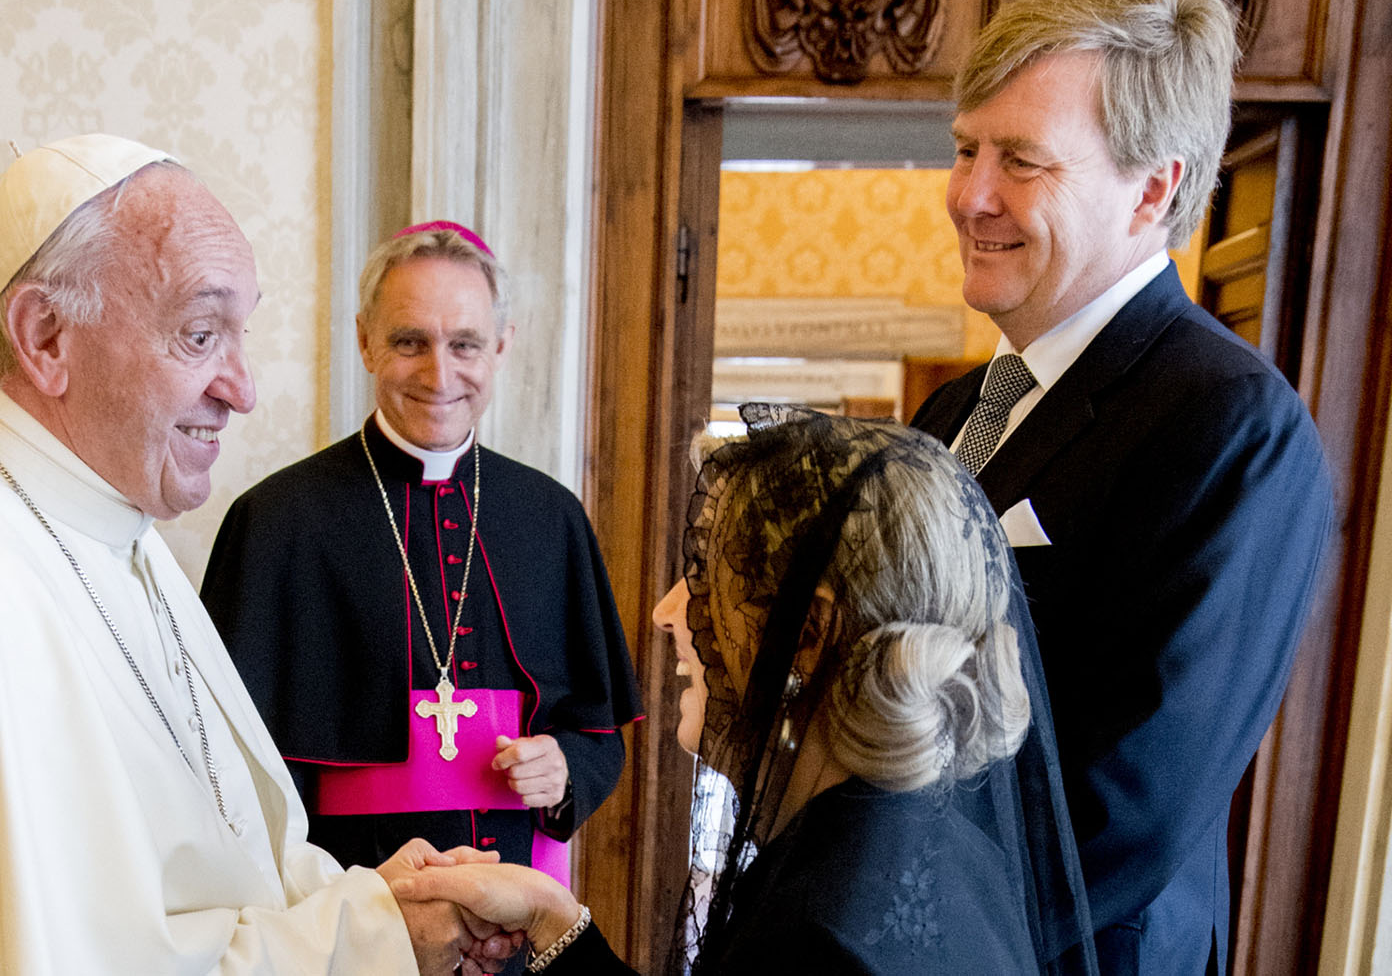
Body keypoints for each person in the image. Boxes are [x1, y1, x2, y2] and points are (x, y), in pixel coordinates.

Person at [0, 134, 513, 975]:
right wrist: (371, 937)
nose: (242, 388)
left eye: (240, 332)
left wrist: (367, 900)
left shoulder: (105, 515)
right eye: (200, 334)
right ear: (46, 336)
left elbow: (218, 856)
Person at [907, 0, 1334, 972]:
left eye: (1021, 159)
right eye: (967, 149)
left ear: (1152, 190)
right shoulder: (953, 408)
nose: (970, 195)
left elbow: (1133, 804)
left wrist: (906, 931)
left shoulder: (1232, 425)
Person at [392, 408, 1098, 974]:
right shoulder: (927, 837)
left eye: (706, 580)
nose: (669, 611)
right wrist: (551, 917)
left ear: (808, 634)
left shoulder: (819, 934)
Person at [201, 223, 642, 897]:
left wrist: (565, 768)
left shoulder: (550, 517)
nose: (440, 374)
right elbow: (225, 763)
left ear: (501, 345)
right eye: (410, 342)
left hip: (514, 904)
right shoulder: (277, 521)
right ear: (365, 342)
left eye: (465, 344)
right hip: (342, 907)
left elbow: (597, 727)